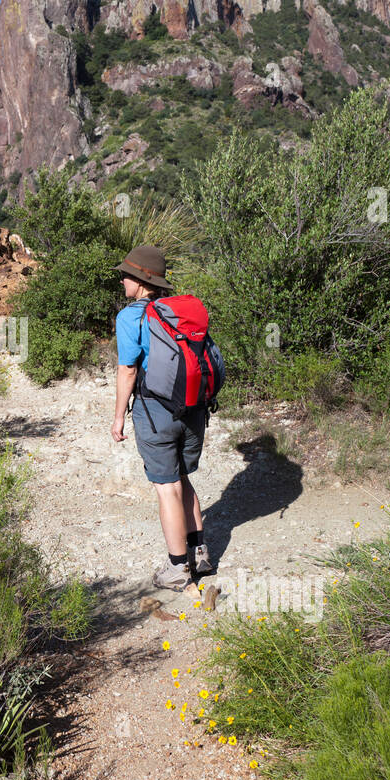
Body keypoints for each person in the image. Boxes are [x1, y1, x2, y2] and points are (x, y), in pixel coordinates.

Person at [110, 244, 213, 592]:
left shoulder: (130, 317)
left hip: (155, 411)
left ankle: (177, 569)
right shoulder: (179, 311)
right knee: (183, 479)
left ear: (140, 281)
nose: (122, 279)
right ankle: (200, 554)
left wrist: (118, 418)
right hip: (195, 409)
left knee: (166, 487)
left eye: (126, 274)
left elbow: (127, 371)